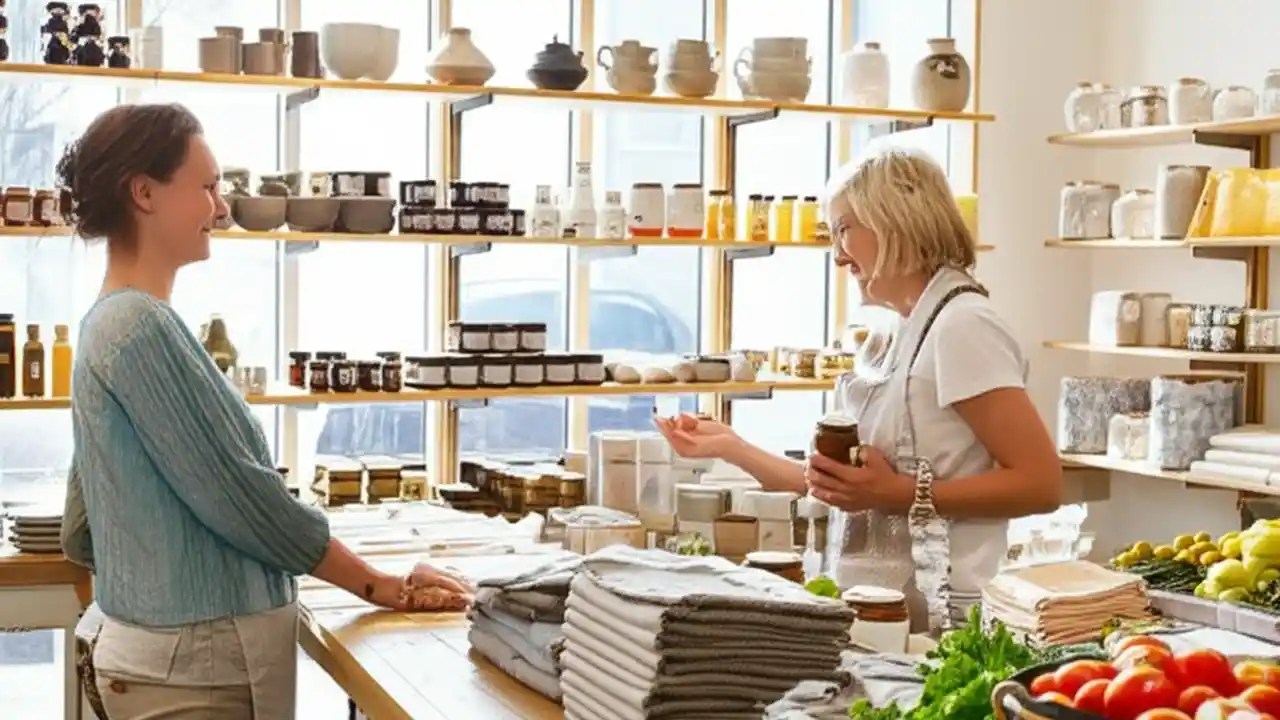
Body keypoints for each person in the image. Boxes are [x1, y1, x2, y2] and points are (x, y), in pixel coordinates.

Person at [56, 103, 473, 718]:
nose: (221, 208)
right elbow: (245, 502)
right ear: (144, 192)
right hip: (189, 671)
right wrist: (382, 586)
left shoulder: (110, 322)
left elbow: (79, 525)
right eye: (206, 187)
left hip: (160, 660)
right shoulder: (140, 329)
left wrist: (146, 572)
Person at [655, 145, 1062, 627]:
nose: (837, 255)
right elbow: (843, 488)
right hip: (878, 611)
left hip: (943, 619)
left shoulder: (963, 326)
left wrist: (902, 494)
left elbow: (1041, 483)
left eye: (844, 229)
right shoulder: (893, 331)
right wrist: (731, 448)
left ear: (897, 221)